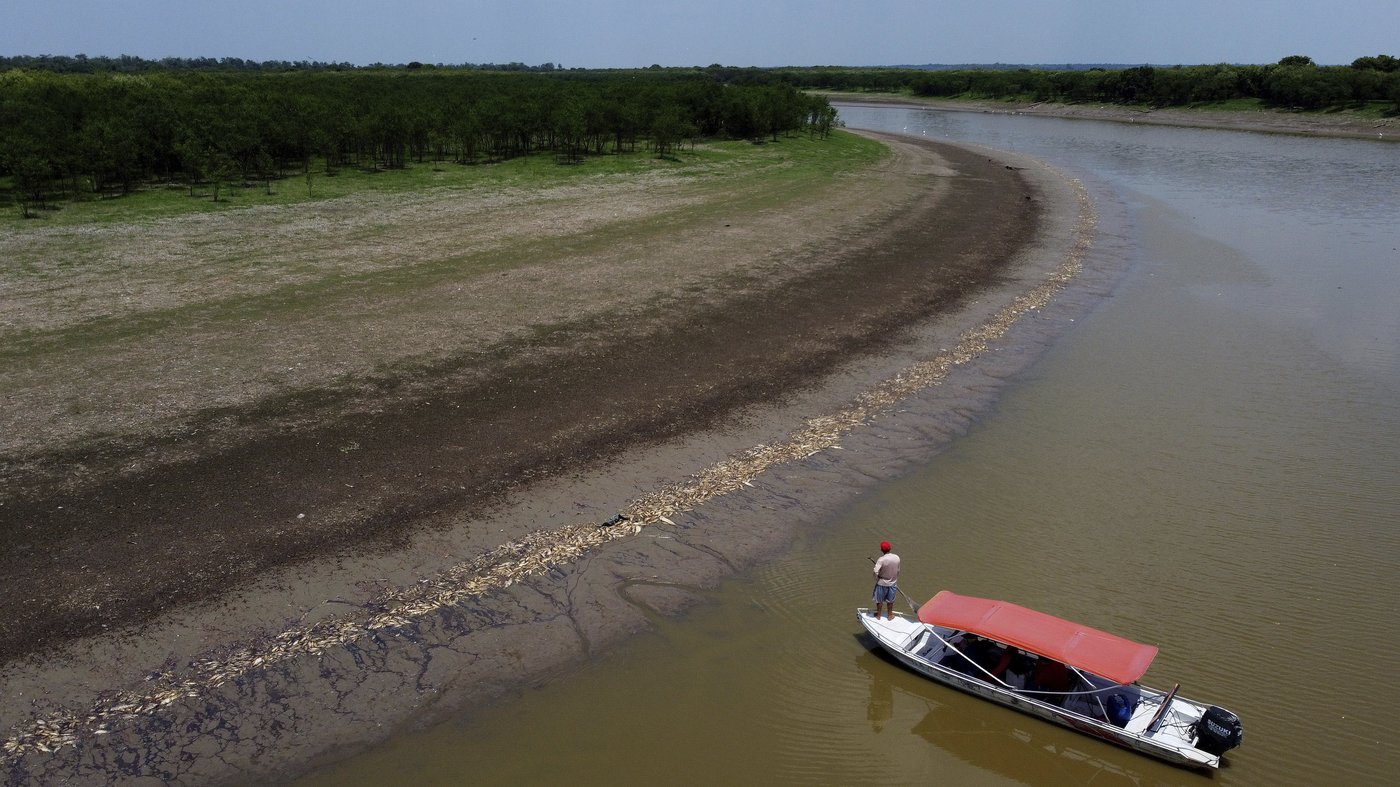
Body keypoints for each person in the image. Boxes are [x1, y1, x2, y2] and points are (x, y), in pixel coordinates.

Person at [871, 541, 900, 620]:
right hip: (892, 583)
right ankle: (890, 615)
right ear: (890, 548)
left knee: (879, 600)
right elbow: (898, 570)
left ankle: (878, 615)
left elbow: (875, 571)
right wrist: (894, 578)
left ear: (881, 550)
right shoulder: (896, 557)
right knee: (890, 601)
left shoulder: (881, 560)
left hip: (882, 583)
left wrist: (876, 578)